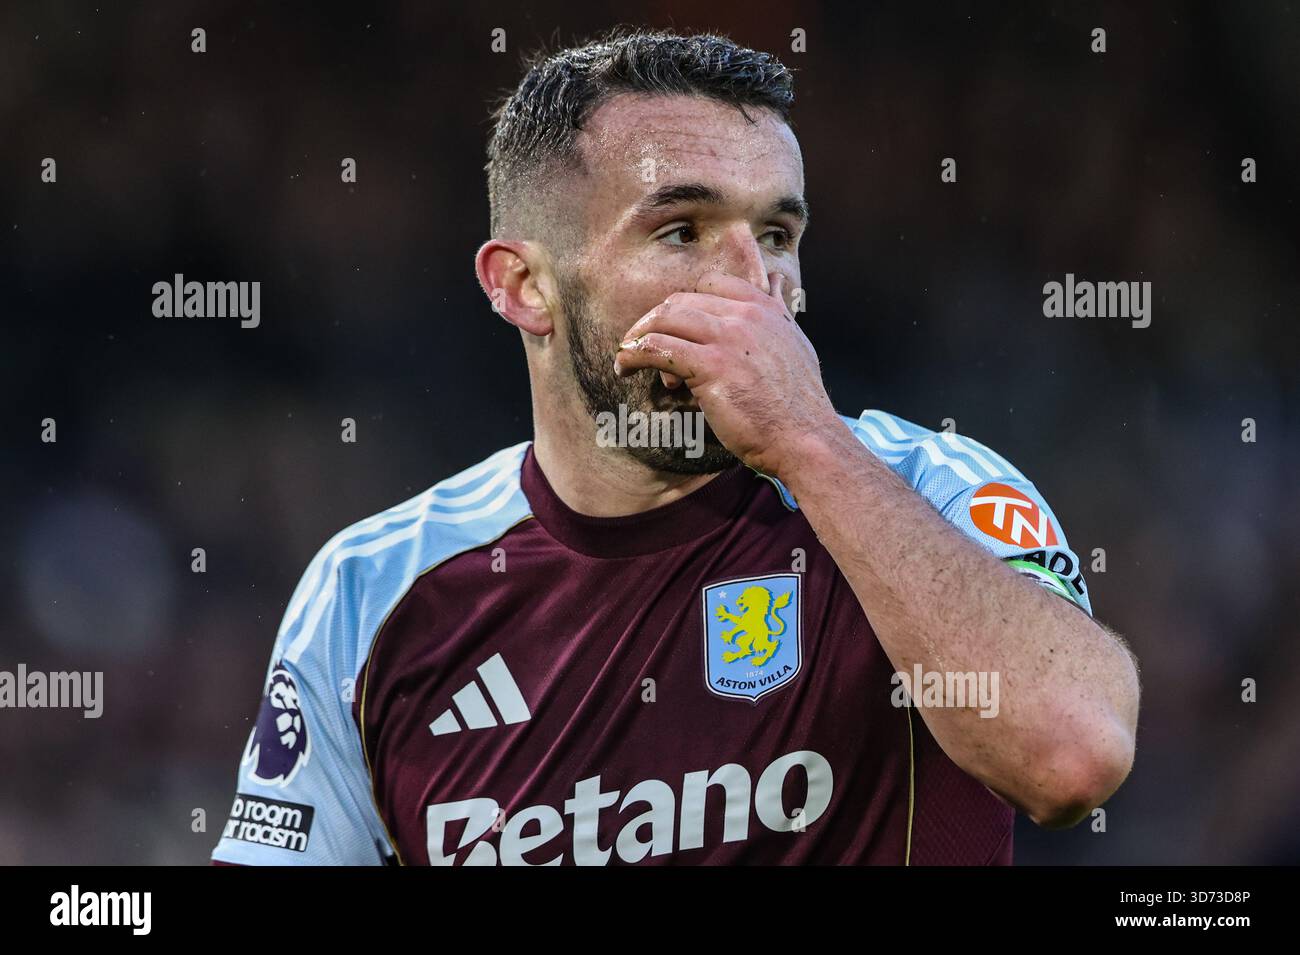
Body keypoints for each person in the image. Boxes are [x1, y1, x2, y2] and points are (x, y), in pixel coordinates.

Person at [212, 29, 1139, 866]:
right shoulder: (374, 591)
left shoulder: (931, 488)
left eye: (777, 232)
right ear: (525, 286)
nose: (755, 282)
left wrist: (807, 439)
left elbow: (1073, 756)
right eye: (682, 230)